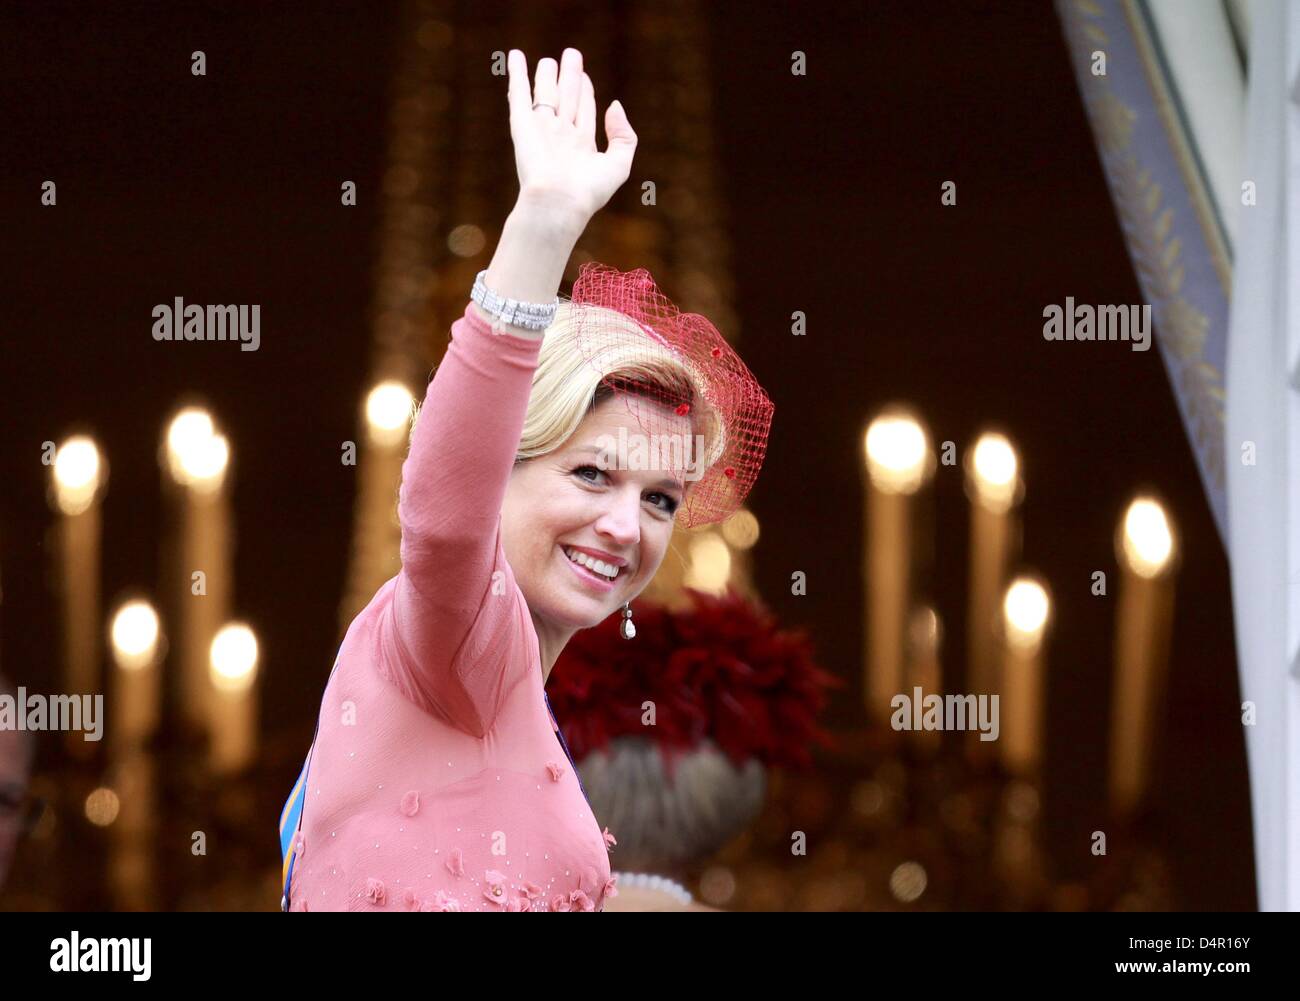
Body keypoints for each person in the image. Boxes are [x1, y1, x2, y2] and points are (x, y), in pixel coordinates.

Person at [280, 47, 771, 911]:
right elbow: (442, 514)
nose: (630, 526)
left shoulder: (504, 695)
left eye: (660, 497)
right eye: (592, 474)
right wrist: (542, 225)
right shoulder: (454, 638)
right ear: (494, 469)